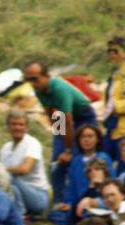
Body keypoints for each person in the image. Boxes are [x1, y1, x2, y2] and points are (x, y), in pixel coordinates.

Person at [23, 61, 97, 205]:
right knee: (57, 161)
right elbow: (51, 113)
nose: (32, 83)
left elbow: (69, 122)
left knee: (78, 159)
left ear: (46, 76)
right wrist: (60, 139)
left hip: (83, 116)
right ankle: (58, 201)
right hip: (60, 117)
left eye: (35, 79)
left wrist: (69, 150)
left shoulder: (59, 88)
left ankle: (80, 200)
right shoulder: (39, 90)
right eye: (29, 80)